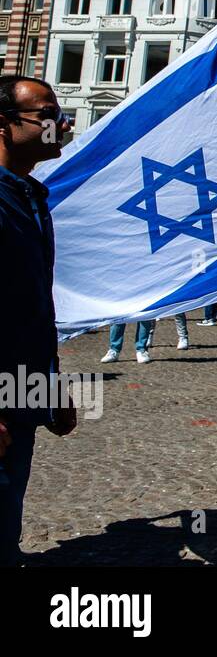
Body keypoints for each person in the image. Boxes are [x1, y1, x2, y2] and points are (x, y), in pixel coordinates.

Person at [0, 75, 77, 566]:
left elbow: (29, 307)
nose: (61, 125)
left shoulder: (30, 196)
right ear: (4, 125)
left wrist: (49, 388)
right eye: (46, 116)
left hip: (22, 391)